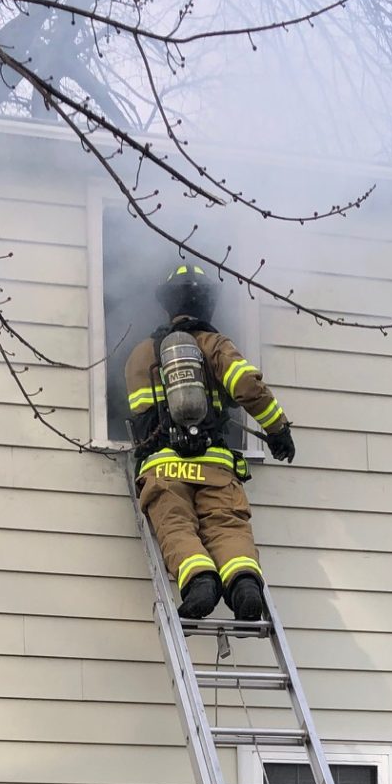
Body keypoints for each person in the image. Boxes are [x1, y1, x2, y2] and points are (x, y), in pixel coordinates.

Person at [125, 260, 295, 623]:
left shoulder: (140, 355)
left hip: (163, 465)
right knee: (227, 524)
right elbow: (248, 387)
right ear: (207, 304)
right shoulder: (213, 344)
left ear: (168, 304)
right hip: (215, 465)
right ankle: (244, 585)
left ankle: (200, 582)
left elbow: (140, 414)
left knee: (175, 525)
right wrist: (278, 430)